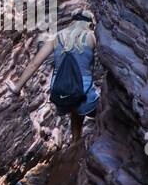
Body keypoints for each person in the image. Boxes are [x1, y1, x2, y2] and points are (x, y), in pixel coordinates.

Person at [7, 12, 99, 142]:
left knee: (75, 107)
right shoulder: (91, 37)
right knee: (105, 113)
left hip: (61, 92)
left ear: (72, 21)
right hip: (84, 93)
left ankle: (75, 142)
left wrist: (17, 87)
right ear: (89, 24)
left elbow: (34, 64)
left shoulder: (56, 37)